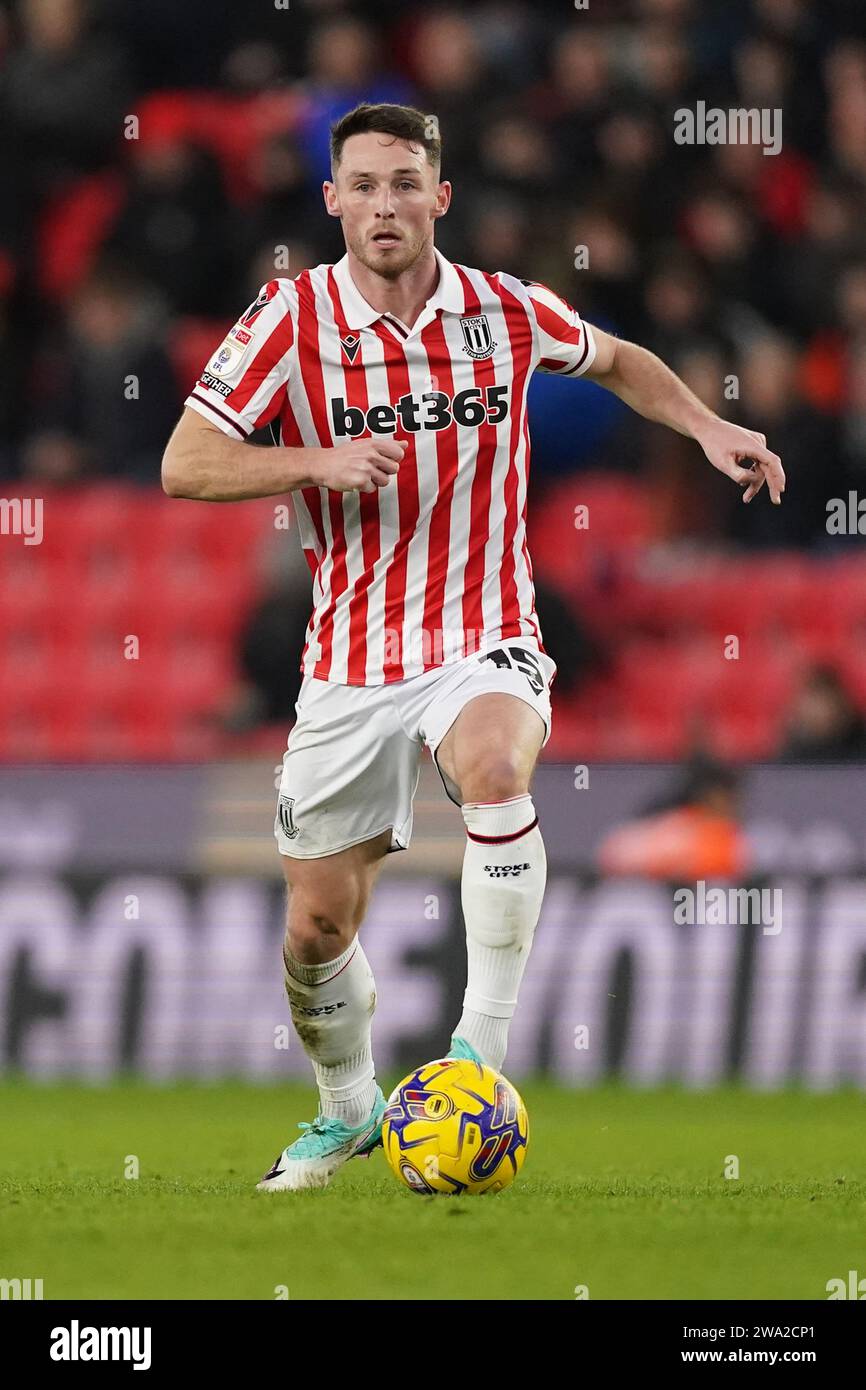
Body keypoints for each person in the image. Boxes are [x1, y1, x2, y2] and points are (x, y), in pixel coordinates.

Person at [161, 103, 786, 1191]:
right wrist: (312, 462)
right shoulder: (288, 318)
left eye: (404, 183)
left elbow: (618, 359)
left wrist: (706, 426)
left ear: (438, 196)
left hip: (482, 630)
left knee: (495, 768)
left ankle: (475, 1058)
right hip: (348, 660)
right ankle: (347, 1110)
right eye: (362, 185)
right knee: (314, 927)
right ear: (332, 201)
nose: (384, 204)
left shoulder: (500, 308)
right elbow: (185, 463)